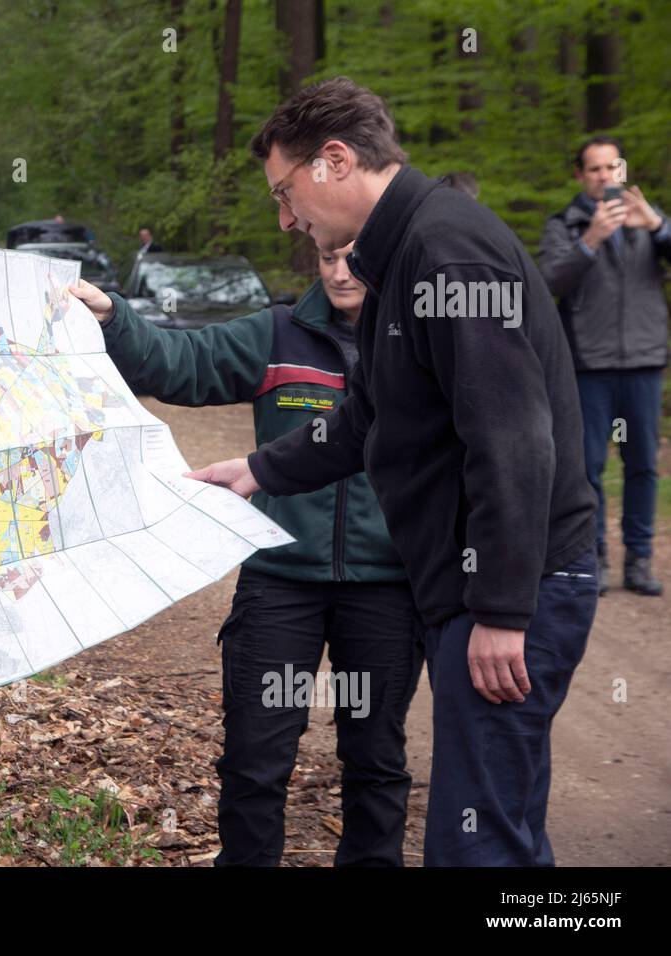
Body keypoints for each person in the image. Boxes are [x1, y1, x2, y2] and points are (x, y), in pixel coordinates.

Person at [186, 77, 598, 866]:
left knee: (479, 843)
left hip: (517, 588)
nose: (286, 217)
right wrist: (257, 468)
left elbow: (513, 438)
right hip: (470, 586)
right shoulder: (399, 257)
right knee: (493, 826)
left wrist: (504, 609)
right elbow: (369, 421)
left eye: (286, 191)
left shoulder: (448, 250)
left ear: (335, 160)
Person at [71, 242, 424, 866]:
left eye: (357, 258)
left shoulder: (419, 338)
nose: (341, 272)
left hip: (386, 587)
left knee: (375, 761)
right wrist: (112, 317)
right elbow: (176, 362)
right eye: (328, 257)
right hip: (281, 584)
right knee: (256, 762)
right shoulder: (277, 333)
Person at [539, 136, 670, 597]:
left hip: (643, 362)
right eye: (593, 169)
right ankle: (591, 555)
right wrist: (592, 238)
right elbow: (549, 280)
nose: (603, 176)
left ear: (623, 170)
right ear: (579, 176)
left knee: (641, 465)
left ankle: (638, 558)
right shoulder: (565, 225)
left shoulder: (649, 222)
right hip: (588, 365)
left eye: (611, 167)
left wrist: (655, 225)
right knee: (587, 465)